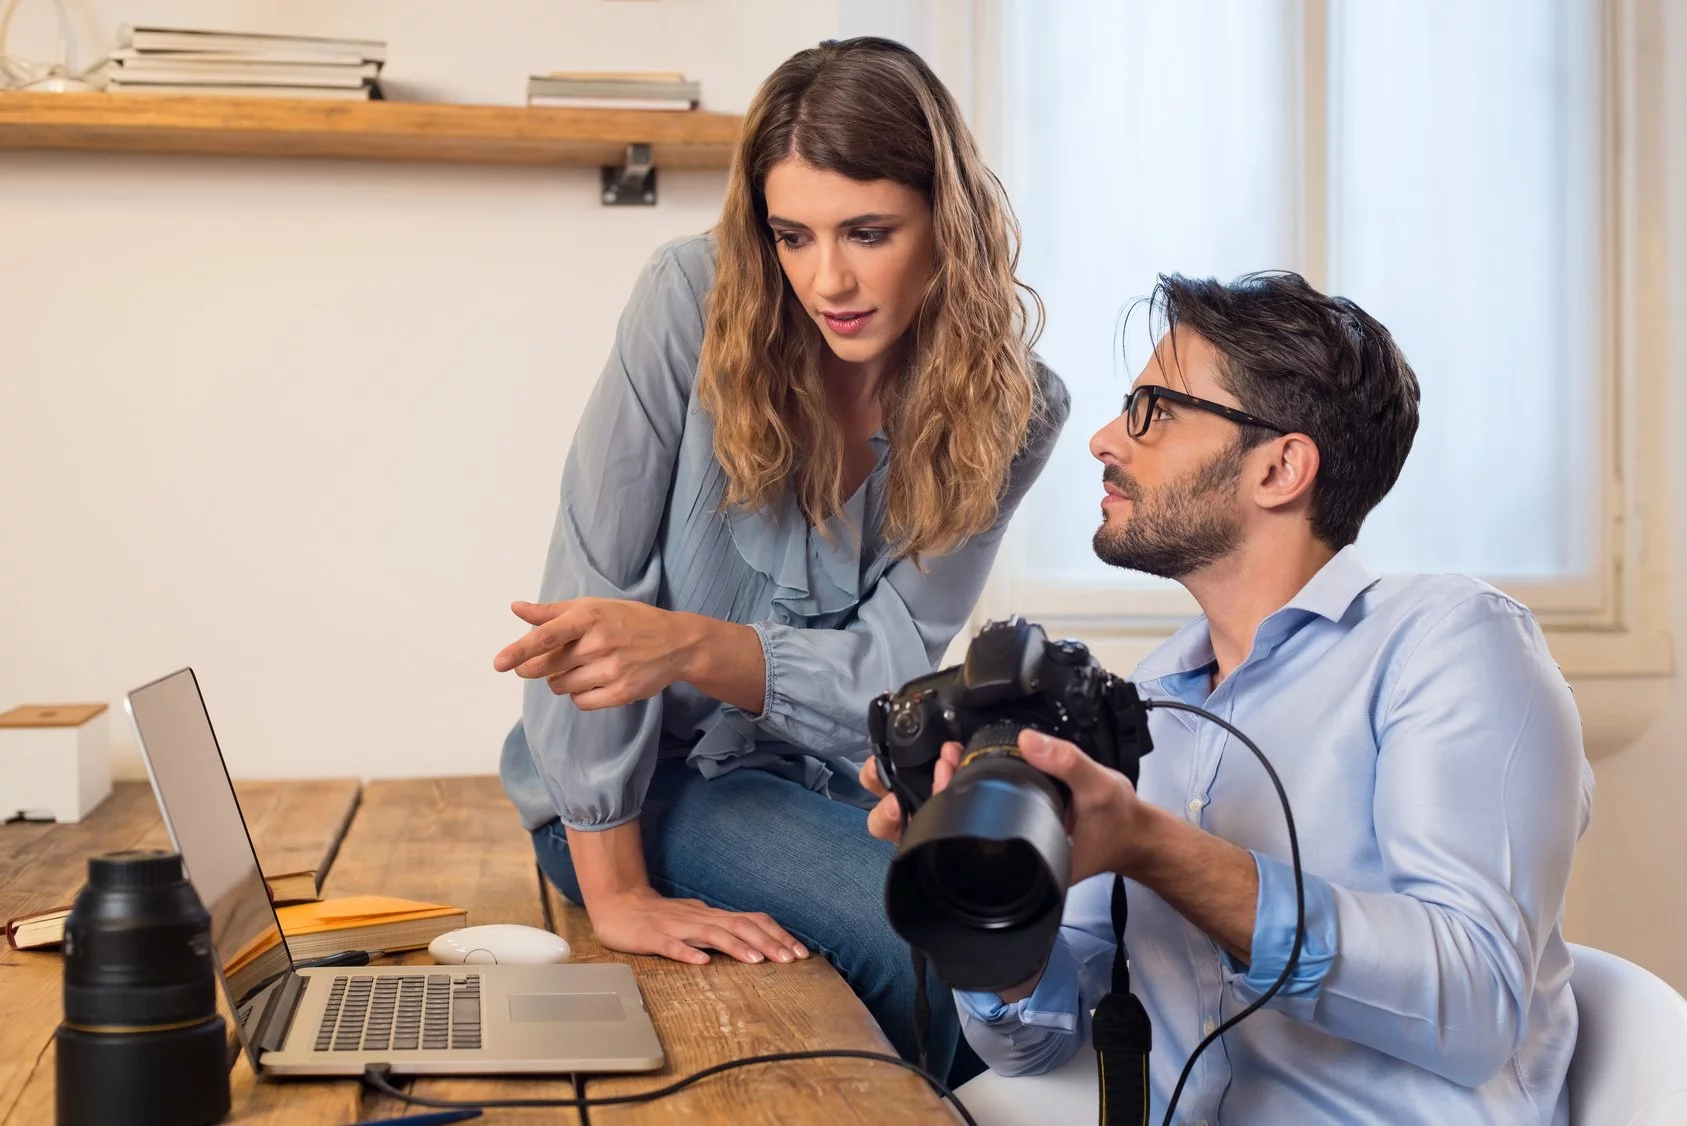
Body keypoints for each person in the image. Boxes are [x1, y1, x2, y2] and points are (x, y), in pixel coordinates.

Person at [864, 272, 1593, 1122]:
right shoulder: (1142, 704)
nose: (1103, 439)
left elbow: (1472, 1004)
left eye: (1154, 411)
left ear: (1279, 468)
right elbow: (1032, 1048)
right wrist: (982, 899)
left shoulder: (1446, 642)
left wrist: (1153, 848)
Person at [492, 37, 1067, 1086]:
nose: (826, 279)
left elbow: (886, 673)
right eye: (792, 236)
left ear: (948, 221)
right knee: (923, 945)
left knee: (1028, 933)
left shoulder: (1013, 407)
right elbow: (588, 616)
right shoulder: (688, 297)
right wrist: (618, 893)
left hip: (821, 781)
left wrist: (691, 646)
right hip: (625, 800)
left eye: (868, 233)